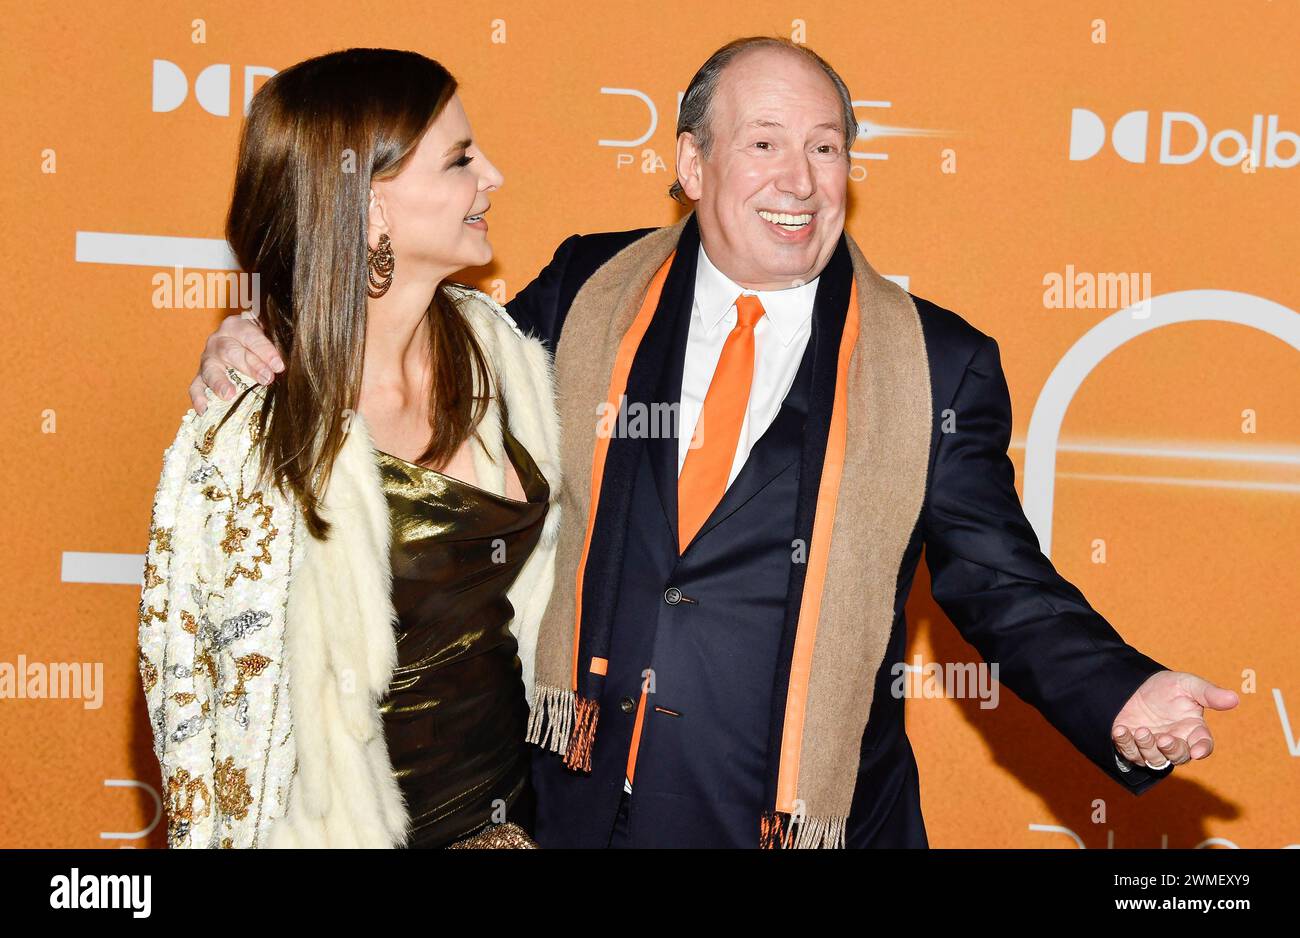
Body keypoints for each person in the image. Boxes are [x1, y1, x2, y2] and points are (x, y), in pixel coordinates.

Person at [189, 37, 1237, 849]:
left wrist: (1122, 692)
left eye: (827, 147)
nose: (800, 178)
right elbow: (404, 358)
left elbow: (999, 579)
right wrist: (266, 332)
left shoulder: (936, 362)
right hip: (571, 807)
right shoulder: (585, 288)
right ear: (690, 162)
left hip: (792, 814)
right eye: (765, 143)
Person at [139, 48, 561, 849]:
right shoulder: (249, 439)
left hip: (517, 823)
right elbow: (203, 727)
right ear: (367, 203)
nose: (494, 175)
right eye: (462, 159)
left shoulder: (501, 353)